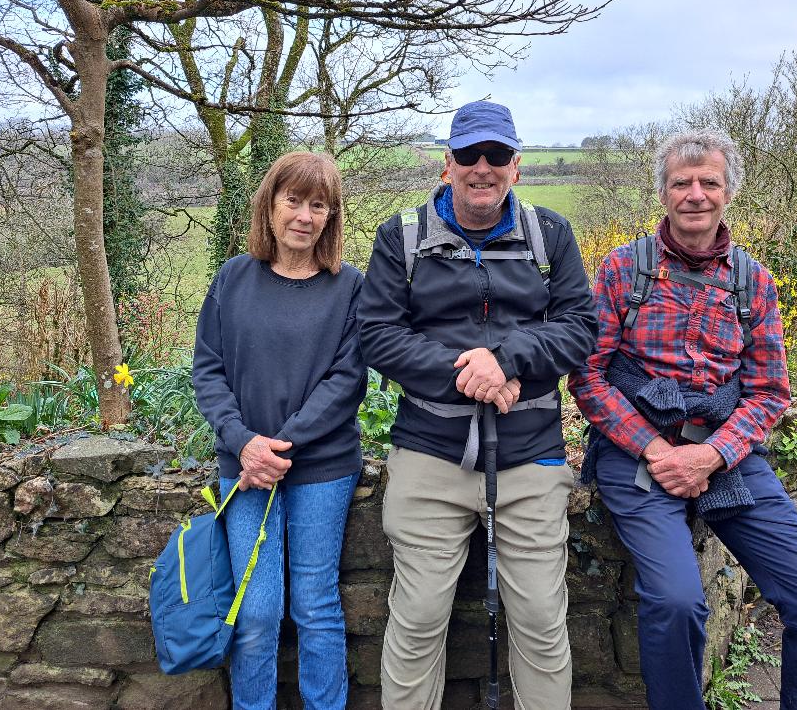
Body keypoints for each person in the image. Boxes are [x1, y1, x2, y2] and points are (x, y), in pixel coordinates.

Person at [568, 130, 797, 710]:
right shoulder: (624, 270)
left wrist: (711, 454)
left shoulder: (753, 281)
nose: (694, 194)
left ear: (729, 193)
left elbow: (770, 392)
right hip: (636, 458)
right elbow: (589, 377)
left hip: (727, 459)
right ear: (663, 192)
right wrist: (656, 449)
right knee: (676, 603)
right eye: (681, 182)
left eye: (709, 182)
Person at [357, 100, 598, 709]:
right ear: (448, 164)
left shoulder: (551, 236)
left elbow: (580, 327)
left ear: (516, 165)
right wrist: (470, 373)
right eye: (469, 155)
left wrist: (510, 360)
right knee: (415, 621)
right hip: (430, 451)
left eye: (496, 155)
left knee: (543, 622)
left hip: (529, 454)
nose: (482, 168)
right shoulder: (401, 238)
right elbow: (378, 334)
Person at [192, 151, 366, 710]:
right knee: (259, 609)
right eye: (293, 200)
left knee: (314, 604)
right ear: (269, 205)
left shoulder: (350, 288)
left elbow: (347, 378)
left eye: (319, 205)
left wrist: (279, 446)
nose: (304, 216)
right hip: (244, 471)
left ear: (331, 218)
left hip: (322, 469)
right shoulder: (233, 278)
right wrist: (245, 444)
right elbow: (208, 368)